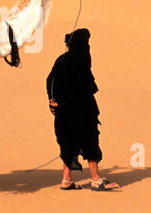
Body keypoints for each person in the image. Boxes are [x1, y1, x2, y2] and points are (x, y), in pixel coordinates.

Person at [46, 28, 117, 191]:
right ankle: (96, 180)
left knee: (68, 144)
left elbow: (50, 79)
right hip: (81, 111)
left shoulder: (61, 59)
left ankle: (66, 180)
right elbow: (79, 87)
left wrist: (52, 101)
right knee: (90, 142)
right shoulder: (82, 59)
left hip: (63, 113)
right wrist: (61, 103)